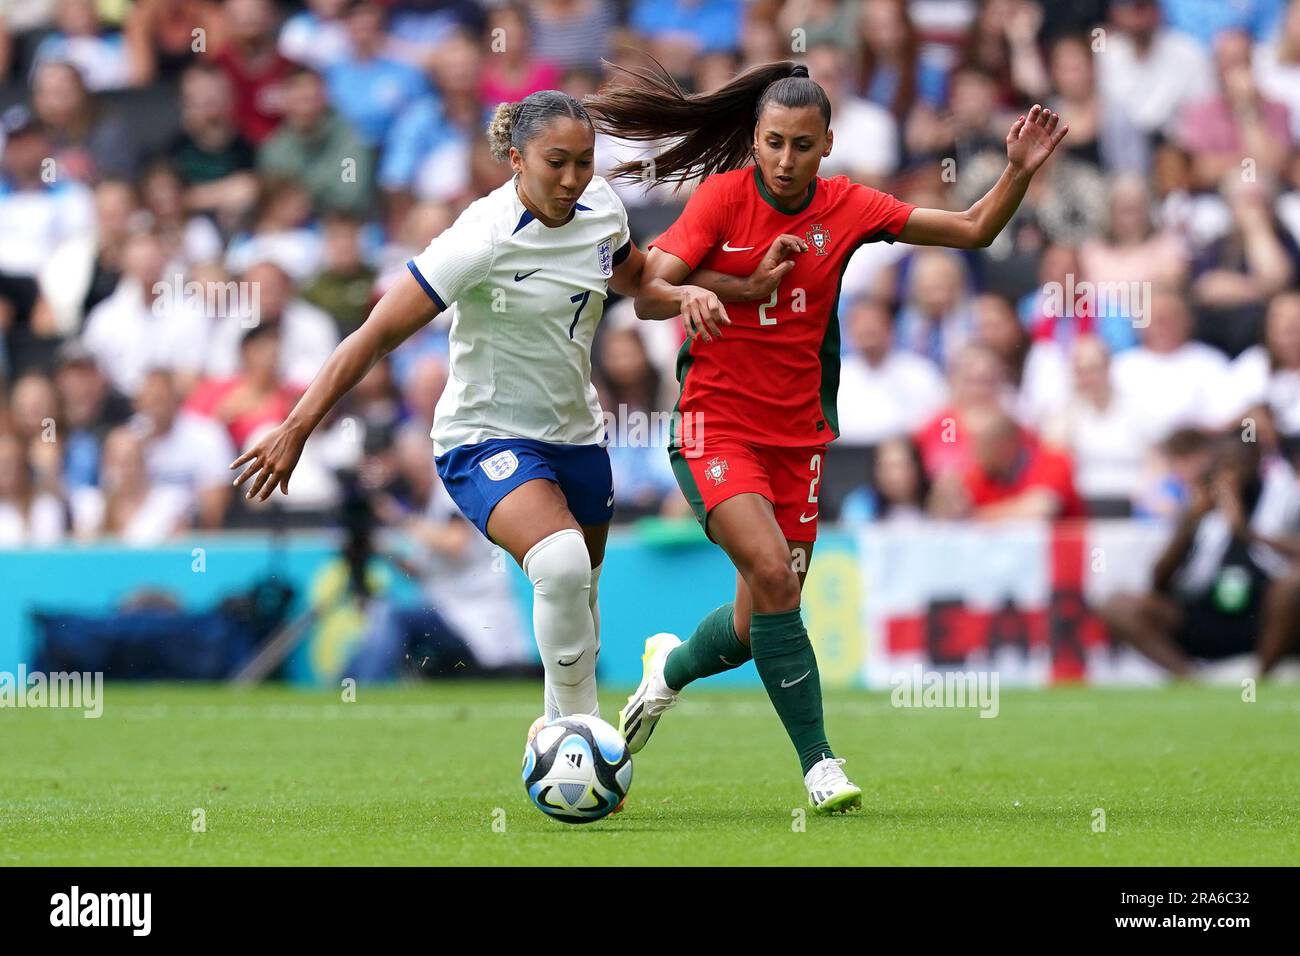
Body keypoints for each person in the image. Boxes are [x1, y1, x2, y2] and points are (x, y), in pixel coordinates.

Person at [586, 58, 1068, 813]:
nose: (785, 160)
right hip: (715, 425)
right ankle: (820, 765)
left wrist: (1017, 172)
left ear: (828, 144)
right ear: (754, 139)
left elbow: (975, 229)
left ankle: (667, 669)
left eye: (802, 145)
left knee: (754, 626)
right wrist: (712, 290)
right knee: (777, 579)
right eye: (773, 142)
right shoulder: (720, 200)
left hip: (798, 440)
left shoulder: (847, 208)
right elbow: (647, 291)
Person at [229, 90, 668, 750]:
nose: (574, 178)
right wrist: (297, 426)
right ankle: (578, 739)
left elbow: (635, 276)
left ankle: (561, 733)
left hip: (577, 436)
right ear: (517, 159)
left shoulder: (601, 210)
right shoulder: (478, 239)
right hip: (483, 435)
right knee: (562, 564)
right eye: (558, 162)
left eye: (585, 161)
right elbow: (374, 334)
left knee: (579, 594)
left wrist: (712, 288)